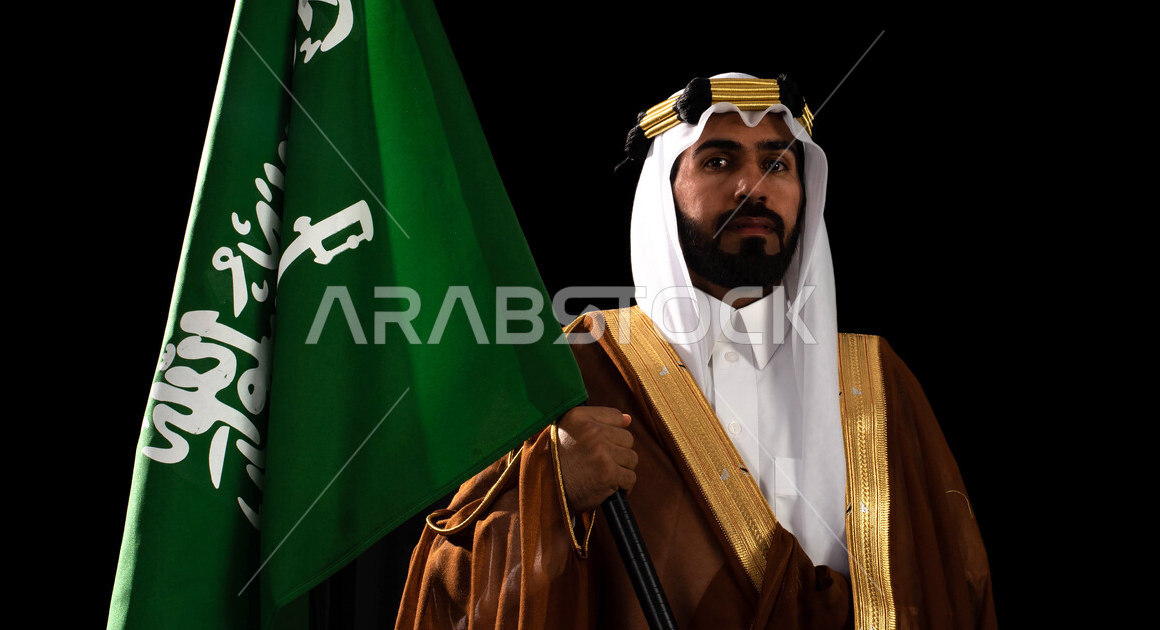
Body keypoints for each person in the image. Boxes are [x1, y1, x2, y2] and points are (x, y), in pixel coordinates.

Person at [396, 73, 996, 629]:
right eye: (718, 160)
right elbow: (448, 586)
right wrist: (554, 489)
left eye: (778, 164)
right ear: (664, 192)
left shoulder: (876, 380)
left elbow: (957, 587)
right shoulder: (580, 365)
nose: (753, 187)